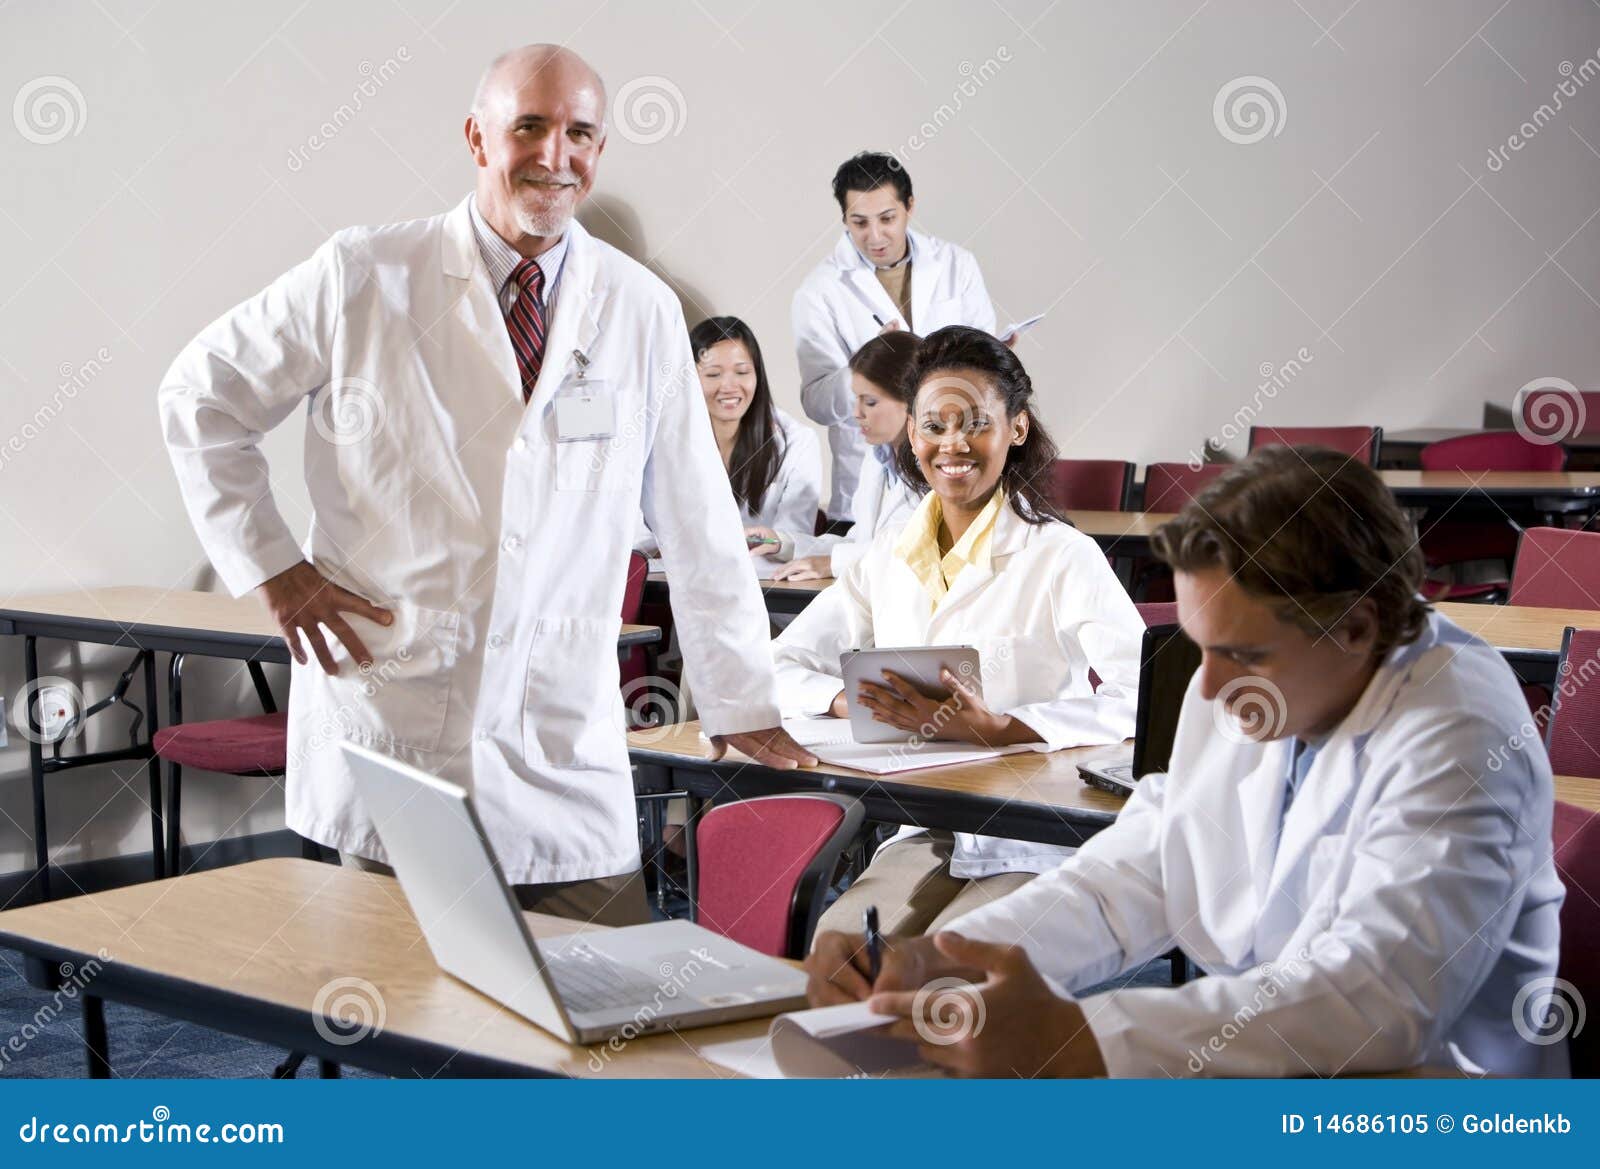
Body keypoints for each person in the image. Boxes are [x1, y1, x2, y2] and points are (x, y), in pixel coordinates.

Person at [158, 44, 814, 928]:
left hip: (557, 739)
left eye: (579, 132)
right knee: (411, 1015)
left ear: (600, 149)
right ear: (477, 137)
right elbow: (200, 396)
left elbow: (698, 521)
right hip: (398, 712)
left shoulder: (641, 308)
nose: (554, 156)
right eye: (529, 127)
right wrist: (275, 569)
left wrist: (740, 697)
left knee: (602, 1003)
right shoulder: (367, 273)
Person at [806, 446, 1567, 1078]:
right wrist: (943, 961)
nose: (1204, 686)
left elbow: (1377, 1001)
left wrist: (1085, 1041)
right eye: (1202, 645)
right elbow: (1143, 872)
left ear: (1358, 625)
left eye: (1240, 652)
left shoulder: (1459, 728)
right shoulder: (1255, 679)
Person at [774, 327, 1143, 936]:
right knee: (839, 951)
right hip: (926, 822)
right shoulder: (887, 555)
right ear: (912, 432)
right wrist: (847, 699)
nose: (953, 445)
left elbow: (1151, 700)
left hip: (1036, 833)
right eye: (934, 426)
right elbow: (780, 665)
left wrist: (1007, 729)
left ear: (1016, 428)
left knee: (954, 974)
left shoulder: (1061, 554)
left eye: (975, 423)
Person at [792, 152, 998, 530]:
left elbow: (981, 371)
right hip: (865, 494)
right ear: (844, 220)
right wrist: (869, 365)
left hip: (953, 479)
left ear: (909, 207)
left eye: (887, 218)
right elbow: (816, 401)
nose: (875, 235)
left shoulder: (956, 265)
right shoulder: (819, 291)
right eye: (859, 222)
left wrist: (995, 361)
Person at [638, 317, 820, 562]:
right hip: (672, 579)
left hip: (762, 582)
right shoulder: (658, 438)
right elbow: (635, 528)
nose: (729, 386)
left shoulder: (797, 441)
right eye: (713, 374)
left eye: (742, 372)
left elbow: (792, 538)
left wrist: (767, 540)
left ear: (757, 374)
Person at [774, 330, 923, 582]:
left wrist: (832, 564)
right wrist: (782, 543)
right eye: (856, 399)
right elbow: (858, 540)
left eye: (870, 402)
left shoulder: (938, 468)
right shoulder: (878, 459)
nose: (856, 412)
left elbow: (912, 550)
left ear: (910, 399)